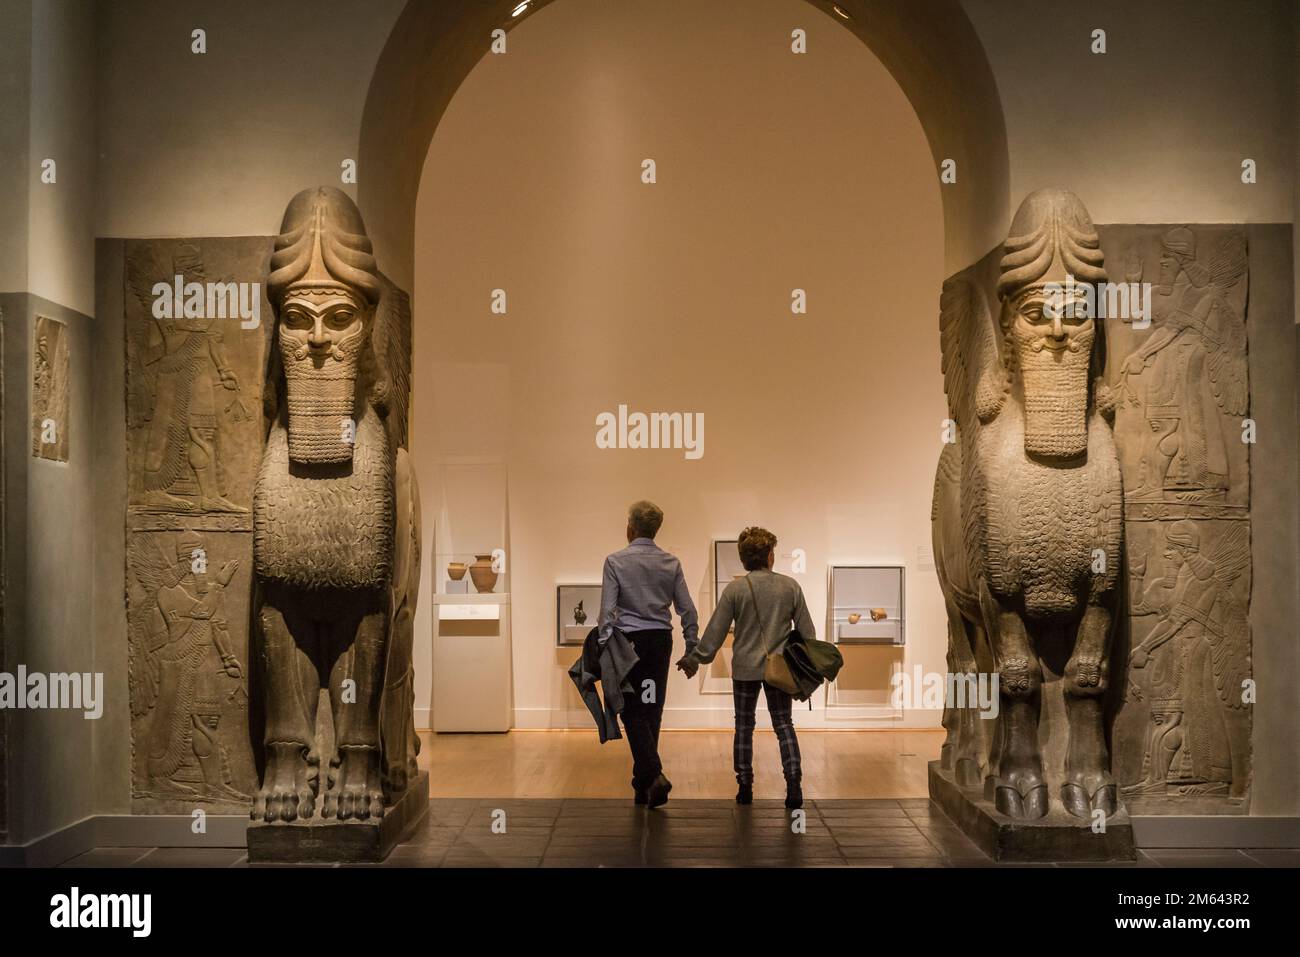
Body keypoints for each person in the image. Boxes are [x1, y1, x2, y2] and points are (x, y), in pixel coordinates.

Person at [676, 527, 814, 809]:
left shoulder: (735, 589)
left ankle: (745, 786)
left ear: (744, 559)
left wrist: (695, 658)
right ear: (770, 555)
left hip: (744, 669)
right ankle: (793, 784)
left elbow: (715, 632)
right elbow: (808, 634)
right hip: (779, 668)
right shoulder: (790, 587)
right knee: (784, 725)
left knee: (743, 725)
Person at [598, 500, 699, 807]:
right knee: (651, 706)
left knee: (630, 710)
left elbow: (607, 613)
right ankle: (642, 786)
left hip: (627, 644)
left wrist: (604, 648)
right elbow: (687, 609)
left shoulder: (615, 561)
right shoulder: (671, 563)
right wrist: (692, 645)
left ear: (630, 528)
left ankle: (654, 774)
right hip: (658, 644)